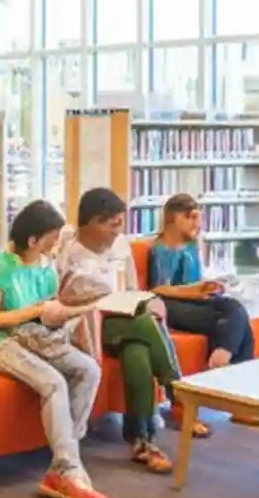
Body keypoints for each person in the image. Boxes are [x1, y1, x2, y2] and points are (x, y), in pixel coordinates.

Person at [0, 200, 113, 498]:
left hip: (37, 337)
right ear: (33, 240)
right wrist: (39, 311)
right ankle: (68, 471)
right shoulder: (0, 265)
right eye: (51, 239)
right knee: (53, 383)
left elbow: (49, 313)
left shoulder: (45, 266)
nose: (55, 246)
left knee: (88, 370)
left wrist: (69, 313)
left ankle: (65, 458)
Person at [56, 187, 195, 474]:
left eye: (121, 223)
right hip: (84, 323)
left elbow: (132, 289)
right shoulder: (67, 251)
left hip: (122, 316)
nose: (118, 231)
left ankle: (143, 439)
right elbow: (55, 297)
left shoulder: (122, 247)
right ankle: (177, 390)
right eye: (112, 224)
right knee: (143, 325)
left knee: (138, 351)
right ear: (91, 222)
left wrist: (149, 300)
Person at [149, 194, 255, 369]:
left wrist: (208, 287)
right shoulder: (159, 249)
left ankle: (230, 369)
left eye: (198, 217)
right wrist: (194, 291)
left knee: (235, 308)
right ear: (172, 218)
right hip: (171, 304)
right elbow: (159, 289)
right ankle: (220, 364)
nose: (196, 223)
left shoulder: (192, 246)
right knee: (235, 316)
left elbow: (197, 280)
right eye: (189, 217)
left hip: (196, 300)